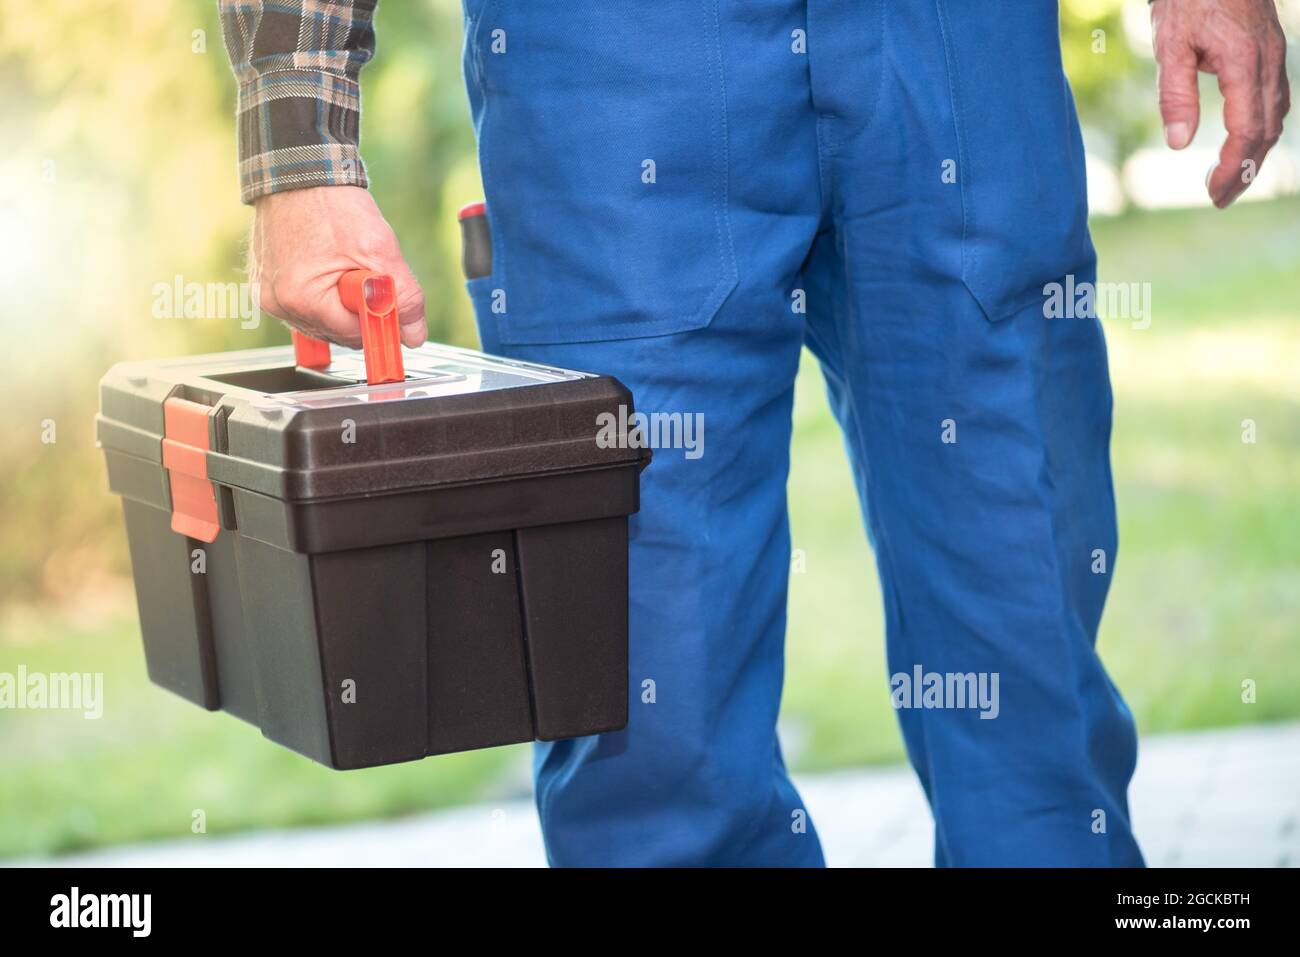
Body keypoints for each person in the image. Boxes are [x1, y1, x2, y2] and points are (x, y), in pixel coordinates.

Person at [217, 0, 1289, 866]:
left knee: (1032, 684)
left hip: (955, 40)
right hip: (617, 60)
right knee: (650, 729)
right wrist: (300, 145)